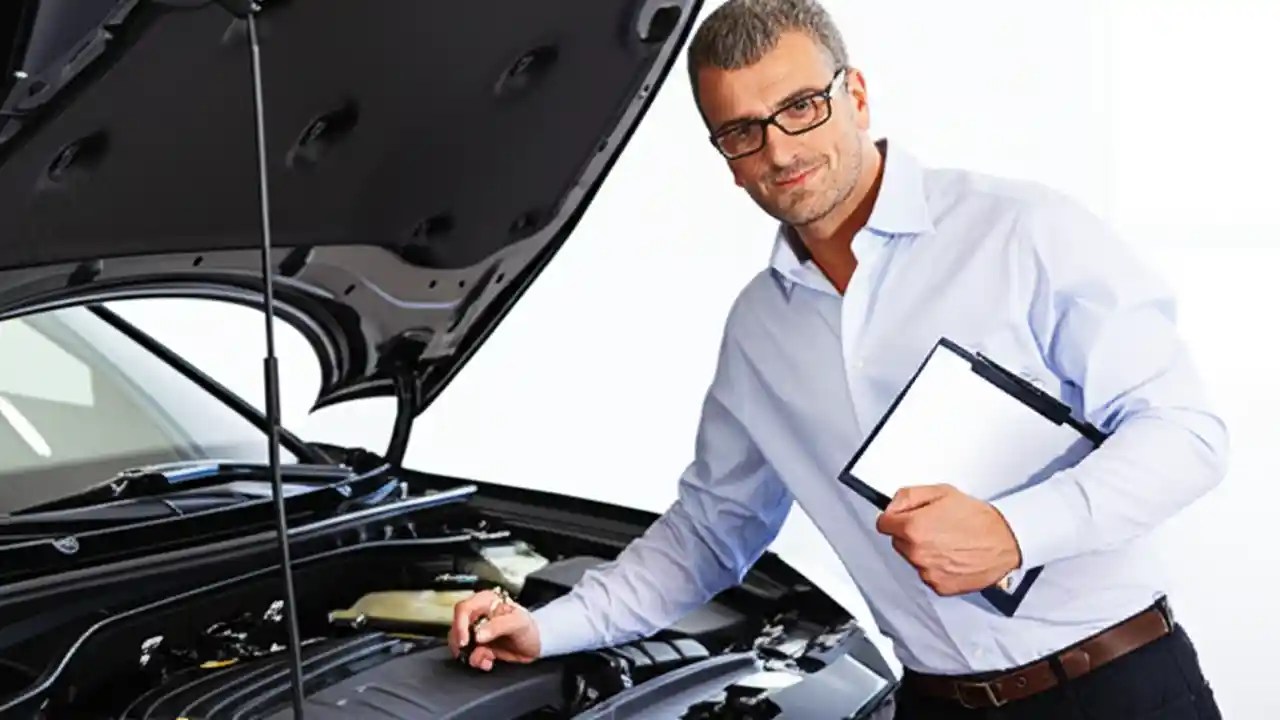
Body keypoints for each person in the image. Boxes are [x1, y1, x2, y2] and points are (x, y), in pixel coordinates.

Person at [449, 0, 1229, 717]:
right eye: (742, 130)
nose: (779, 150)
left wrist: (1013, 530)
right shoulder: (759, 330)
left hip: (1119, 689)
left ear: (854, 94)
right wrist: (548, 629)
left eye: (799, 107)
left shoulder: (1021, 232)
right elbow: (709, 533)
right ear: (724, 155)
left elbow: (1187, 435)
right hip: (929, 702)